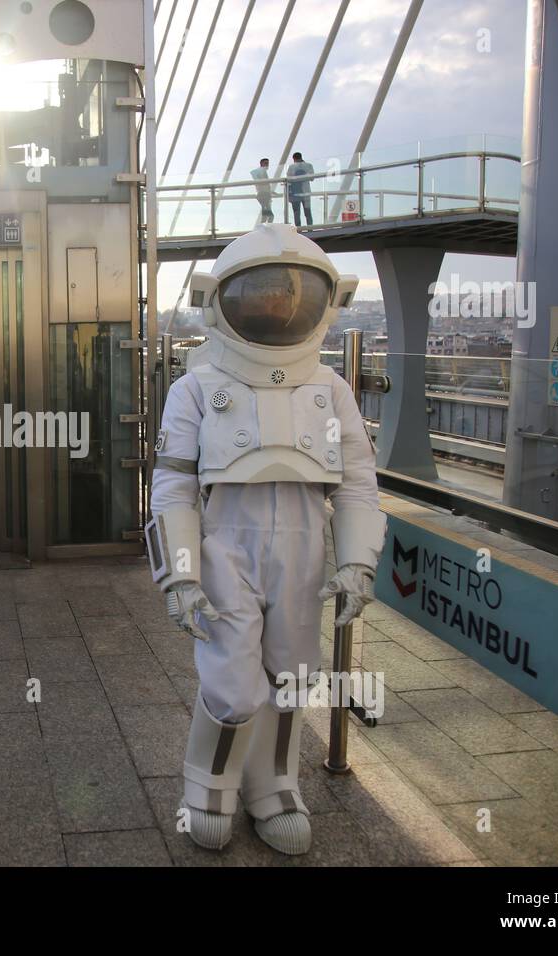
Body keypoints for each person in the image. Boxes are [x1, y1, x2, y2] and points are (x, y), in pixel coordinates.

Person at [146, 223, 385, 855]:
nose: (278, 308)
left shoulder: (331, 388)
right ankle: (207, 787)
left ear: (322, 303)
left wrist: (358, 562)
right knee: (230, 681)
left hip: (305, 545)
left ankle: (275, 785)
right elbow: (172, 487)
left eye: (291, 295)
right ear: (222, 300)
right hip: (227, 540)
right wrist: (182, 575)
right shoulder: (194, 387)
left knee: (292, 674)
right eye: (264, 294)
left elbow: (359, 481)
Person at [286, 151, 315, 227]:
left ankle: (299, 229)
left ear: (294, 159)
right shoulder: (308, 165)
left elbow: (288, 179)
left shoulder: (291, 167)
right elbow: (312, 178)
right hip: (306, 192)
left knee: (296, 212)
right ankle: (310, 228)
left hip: (295, 193)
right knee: (308, 212)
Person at [250, 157, 275, 223]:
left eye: (268, 163)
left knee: (266, 213)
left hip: (264, 194)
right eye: (266, 163)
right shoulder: (261, 171)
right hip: (263, 194)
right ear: (261, 163)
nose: (267, 165)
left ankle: (263, 228)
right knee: (269, 215)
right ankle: (264, 228)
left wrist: (271, 192)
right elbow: (253, 174)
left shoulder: (262, 171)